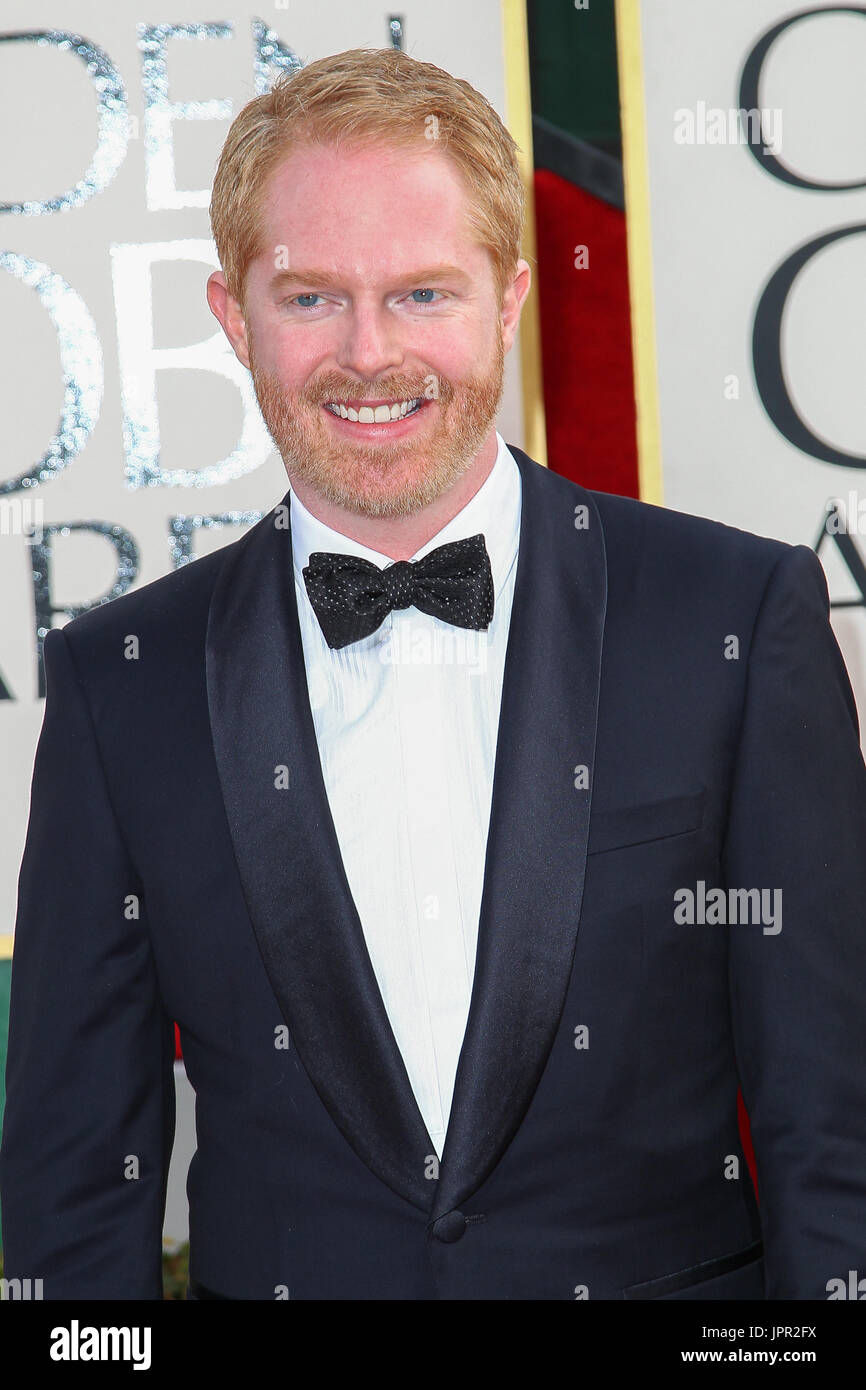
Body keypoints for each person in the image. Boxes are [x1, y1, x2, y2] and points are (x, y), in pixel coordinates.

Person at [2, 46, 866, 1302]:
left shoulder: (731, 619)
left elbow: (830, 1119)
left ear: (509, 297)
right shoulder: (117, 681)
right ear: (231, 315)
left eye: (421, 293)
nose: (368, 354)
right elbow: (76, 1184)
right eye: (308, 300)